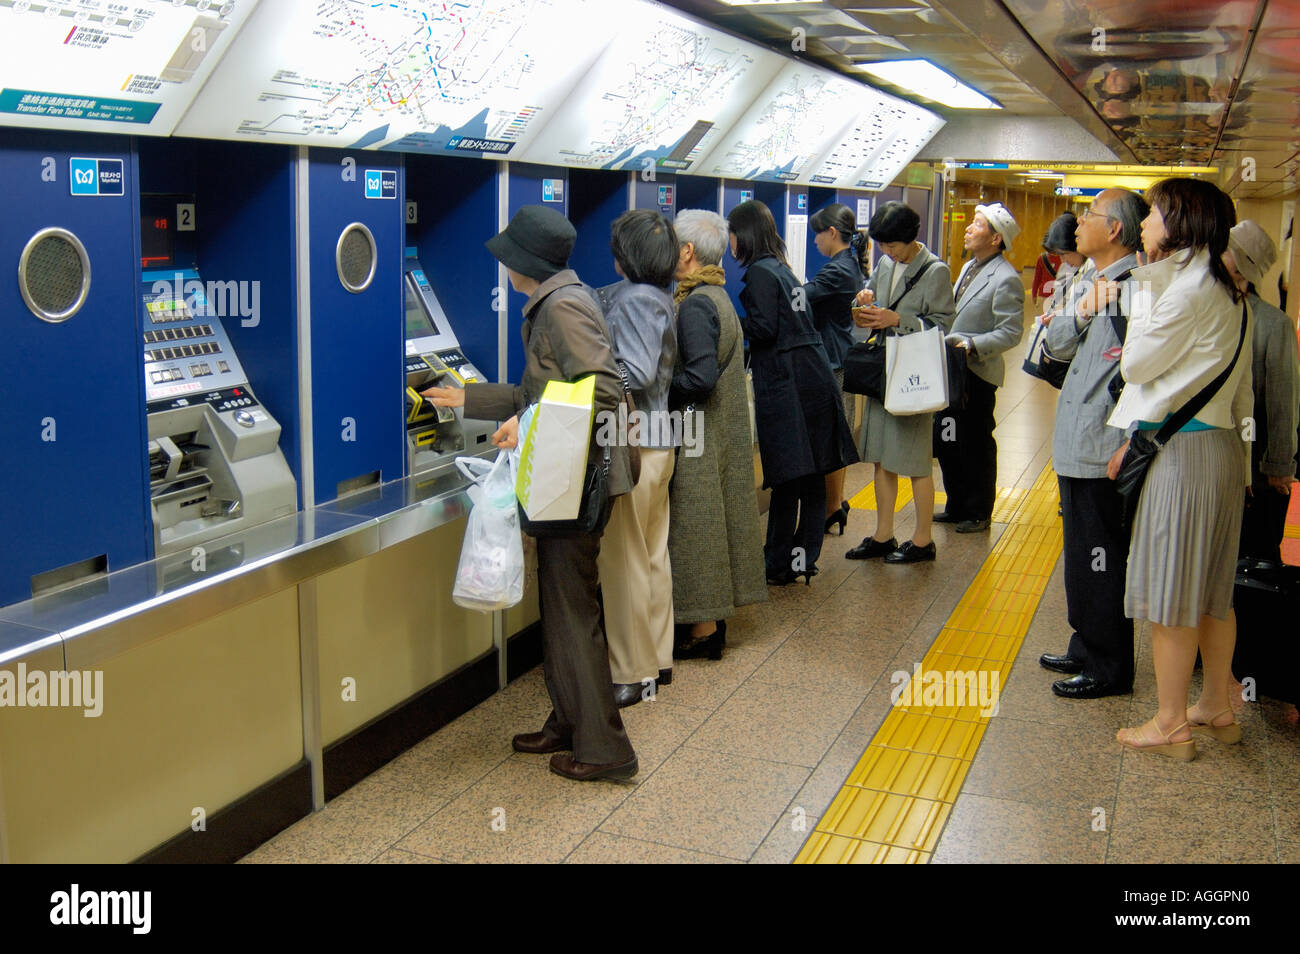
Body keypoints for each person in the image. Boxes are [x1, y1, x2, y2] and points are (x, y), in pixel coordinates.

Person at [424, 205, 637, 782]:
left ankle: (605, 750)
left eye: (508, 258)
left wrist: (531, 418)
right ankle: (568, 722)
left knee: (573, 615)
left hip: (577, 480)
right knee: (563, 608)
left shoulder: (563, 306)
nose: (502, 267)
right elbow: (536, 387)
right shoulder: (563, 298)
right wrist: (469, 400)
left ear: (526, 263)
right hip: (564, 476)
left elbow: (607, 389)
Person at [1107, 178, 1252, 759]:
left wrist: (1143, 287)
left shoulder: (1185, 290)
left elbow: (1137, 365)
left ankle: (1170, 723)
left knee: (1172, 594)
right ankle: (1215, 704)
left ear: (1181, 222)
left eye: (1154, 213)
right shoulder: (1227, 289)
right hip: (1218, 451)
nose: (1143, 221)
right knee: (1215, 591)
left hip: (1183, 457)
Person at [1037, 188, 1149, 699]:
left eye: (1090, 215)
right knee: (1081, 555)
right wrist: (1082, 309)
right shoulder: (1091, 279)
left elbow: (1143, 376)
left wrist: (1129, 442)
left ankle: (1109, 666)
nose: (1079, 223)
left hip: (1103, 446)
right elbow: (1056, 342)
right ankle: (1084, 645)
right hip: (1076, 439)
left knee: (1101, 556)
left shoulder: (1137, 289)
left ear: (1116, 230)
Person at [727, 199, 858, 585]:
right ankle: (801, 559)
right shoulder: (781, 268)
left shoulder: (761, 274)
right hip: (810, 376)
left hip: (788, 384)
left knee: (787, 475)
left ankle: (777, 561)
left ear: (744, 235)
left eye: (732, 233)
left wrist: (728, 322)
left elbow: (764, 329)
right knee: (811, 475)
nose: (729, 241)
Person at [665, 209, 767, 660]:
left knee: (696, 526)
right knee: (712, 523)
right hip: (717, 431)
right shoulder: (714, 292)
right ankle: (710, 622)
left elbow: (700, 378)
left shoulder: (695, 304)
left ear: (686, 251)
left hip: (698, 434)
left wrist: (656, 387)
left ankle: (705, 630)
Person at [594, 210, 679, 708]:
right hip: (659, 440)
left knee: (623, 561)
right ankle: (659, 658)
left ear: (625, 256)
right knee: (652, 554)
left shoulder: (633, 299)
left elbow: (636, 372)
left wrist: (593, 381)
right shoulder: (661, 296)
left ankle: (631, 671)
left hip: (633, 444)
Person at [844, 201, 955, 564]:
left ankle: (923, 540)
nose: (887, 252)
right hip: (885, 371)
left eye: (893, 246)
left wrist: (898, 319)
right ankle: (883, 534)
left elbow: (943, 326)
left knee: (916, 461)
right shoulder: (886, 262)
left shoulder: (935, 271)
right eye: (883, 246)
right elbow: (872, 295)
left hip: (915, 375)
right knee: (881, 459)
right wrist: (863, 300)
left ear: (912, 239)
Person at [934, 202, 1026, 533]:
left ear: (996, 238)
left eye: (977, 225)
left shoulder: (1005, 279)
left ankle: (978, 511)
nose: (969, 229)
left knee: (975, 442)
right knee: (947, 439)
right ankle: (956, 503)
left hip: (976, 373)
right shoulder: (969, 267)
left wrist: (973, 345)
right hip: (953, 369)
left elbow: (1011, 331)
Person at [1224, 220, 1299, 564]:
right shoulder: (1208, 311)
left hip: (1256, 460)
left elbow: (1283, 402)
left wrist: (1280, 465)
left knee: (1254, 553)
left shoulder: (1273, 324)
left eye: (1223, 250)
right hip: (1214, 456)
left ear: (1239, 264)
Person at [803, 203, 867, 535]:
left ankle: (832, 506)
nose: (814, 240)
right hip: (839, 356)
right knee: (836, 434)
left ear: (831, 233)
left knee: (833, 437)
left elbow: (799, 297)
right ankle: (835, 504)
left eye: (818, 233)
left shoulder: (838, 269)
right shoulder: (846, 265)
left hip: (834, 361)